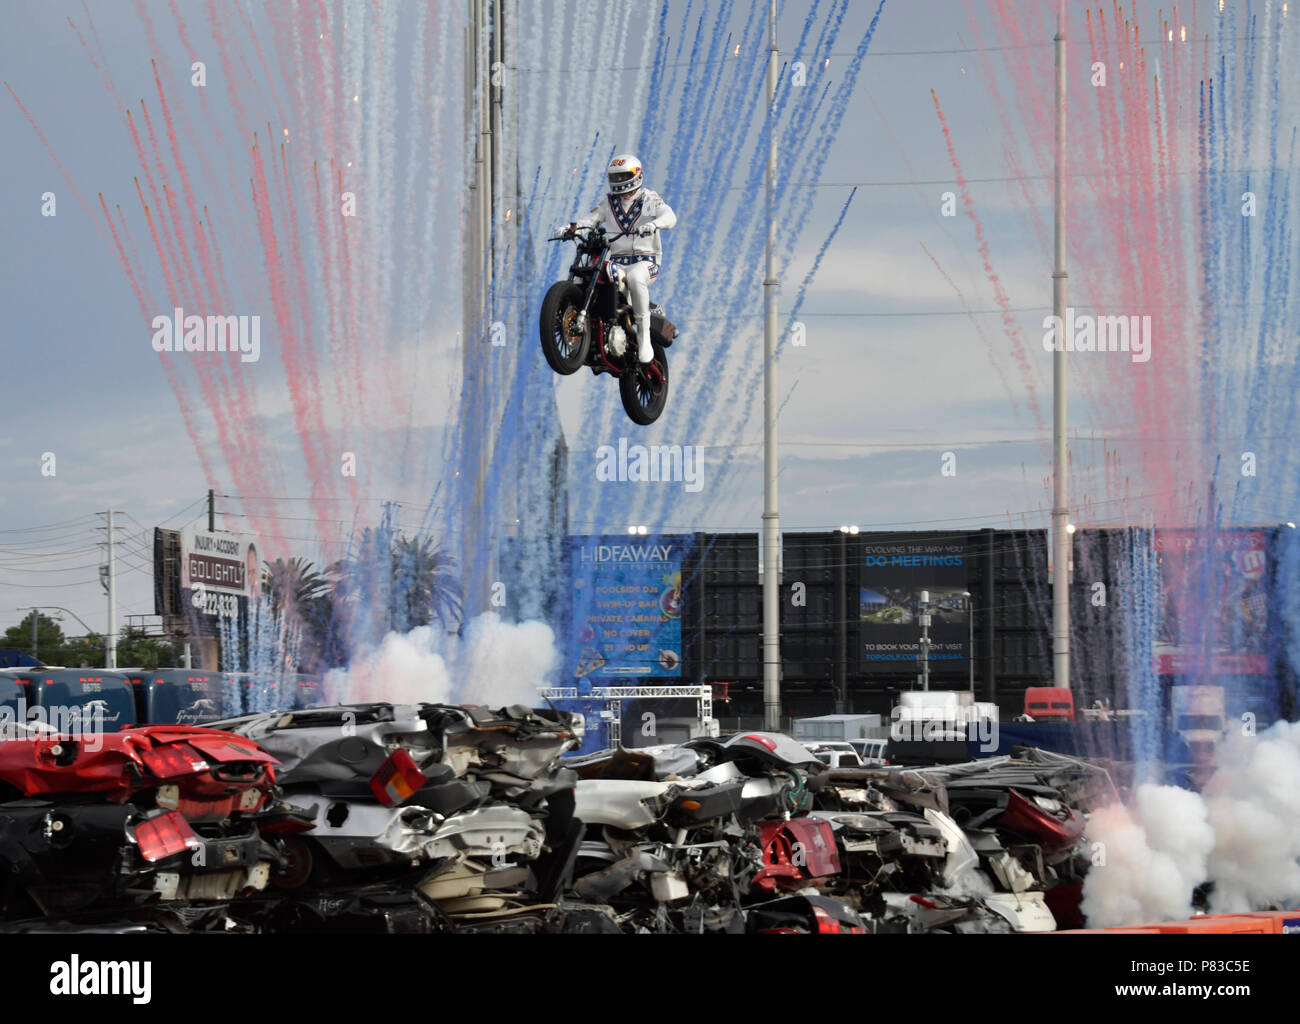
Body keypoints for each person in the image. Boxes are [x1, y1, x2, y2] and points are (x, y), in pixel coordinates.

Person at [566, 153, 676, 364]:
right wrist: (572, 229)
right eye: (615, 177)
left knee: (636, 277)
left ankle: (644, 339)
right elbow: (591, 219)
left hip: (645, 262)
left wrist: (654, 224)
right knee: (590, 273)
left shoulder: (649, 199)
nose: (618, 181)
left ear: (636, 175)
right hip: (617, 262)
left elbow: (670, 216)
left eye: (623, 176)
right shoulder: (608, 202)